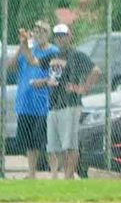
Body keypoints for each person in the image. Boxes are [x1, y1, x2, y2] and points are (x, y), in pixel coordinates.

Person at [27, 24, 98, 179]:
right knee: (54, 146)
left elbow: (95, 71)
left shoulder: (76, 55)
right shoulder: (54, 56)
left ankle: (68, 176)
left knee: (70, 145)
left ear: (69, 36)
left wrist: (82, 88)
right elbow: (33, 61)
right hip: (54, 105)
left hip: (70, 105)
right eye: (58, 36)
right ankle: (61, 176)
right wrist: (24, 43)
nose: (60, 39)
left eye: (63, 36)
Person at [5, 22, 57, 178]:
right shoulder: (27, 49)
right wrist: (21, 46)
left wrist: (42, 82)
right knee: (30, 143)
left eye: (43, 30)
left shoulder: (53, 51)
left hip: (44, 104)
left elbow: (55, 77)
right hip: (25, 103)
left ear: (48, 34)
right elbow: (10, 66)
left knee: (47, 142)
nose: (39, 33)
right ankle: (31, 173)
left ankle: (54, 174)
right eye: (36, 30)